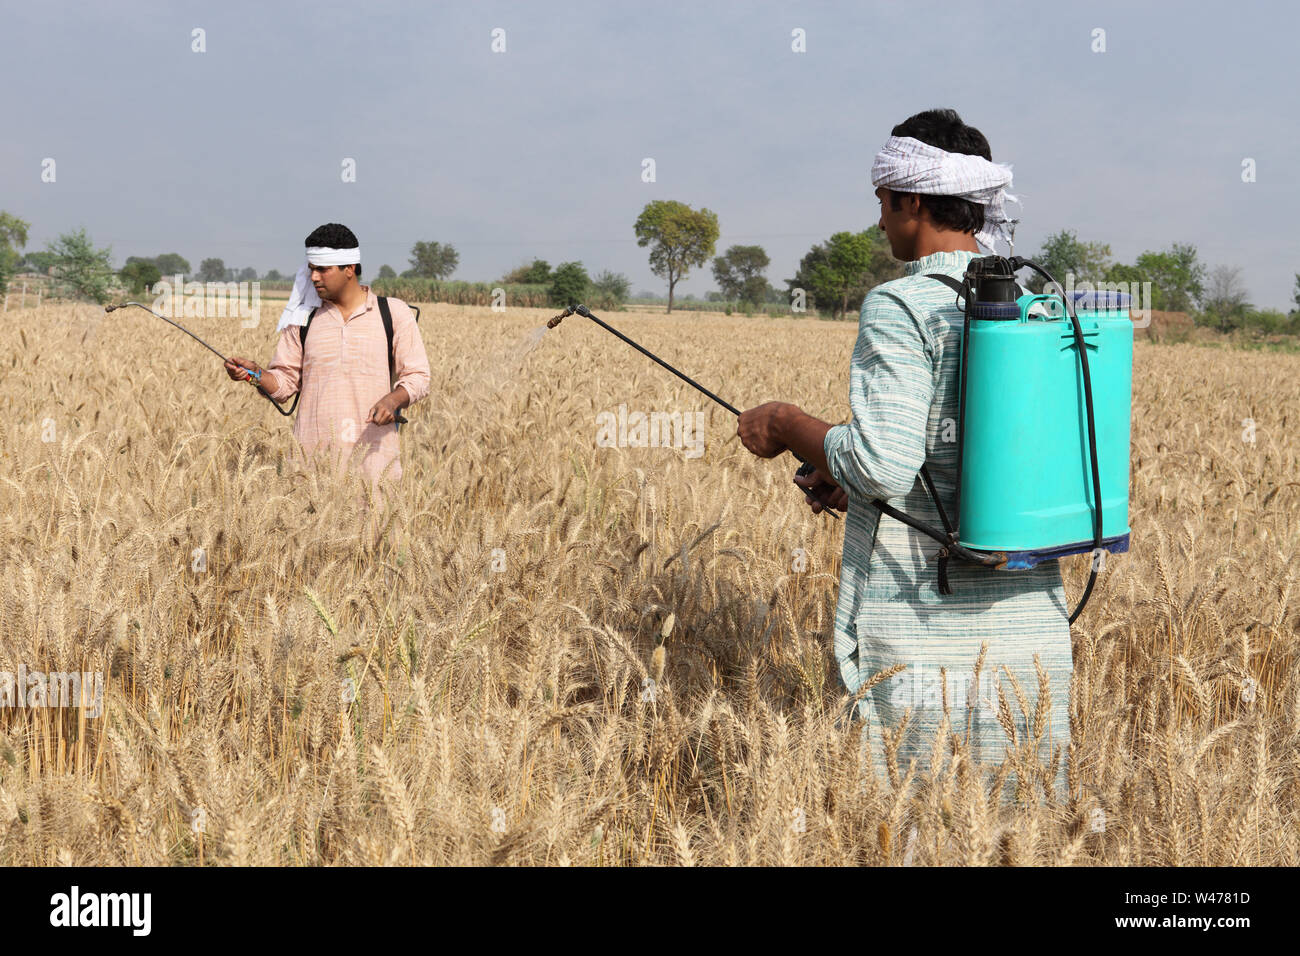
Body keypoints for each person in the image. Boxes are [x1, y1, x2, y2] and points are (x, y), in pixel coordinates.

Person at [737, 109, 1072, 802]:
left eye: (884, 204)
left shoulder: (902, 305)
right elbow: (988, 463)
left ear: (912, 200)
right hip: (1033, 635)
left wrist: (787, 423)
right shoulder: (1040, 309)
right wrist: (848, 472)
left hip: (924, 634)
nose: (882, 222)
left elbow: (884, 466)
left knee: (916, 825)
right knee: (1021, 823)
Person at [225, 223, 431, 527]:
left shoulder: (393, 313)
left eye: (322, 269)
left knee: (371, 558)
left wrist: (393, 399)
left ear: (350, 268)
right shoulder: (303, 319)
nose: (313, 277)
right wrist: (256, 373)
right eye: (311, 269)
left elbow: (417, 376)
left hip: (374, 466)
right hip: (311, 467)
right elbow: (283, 384)